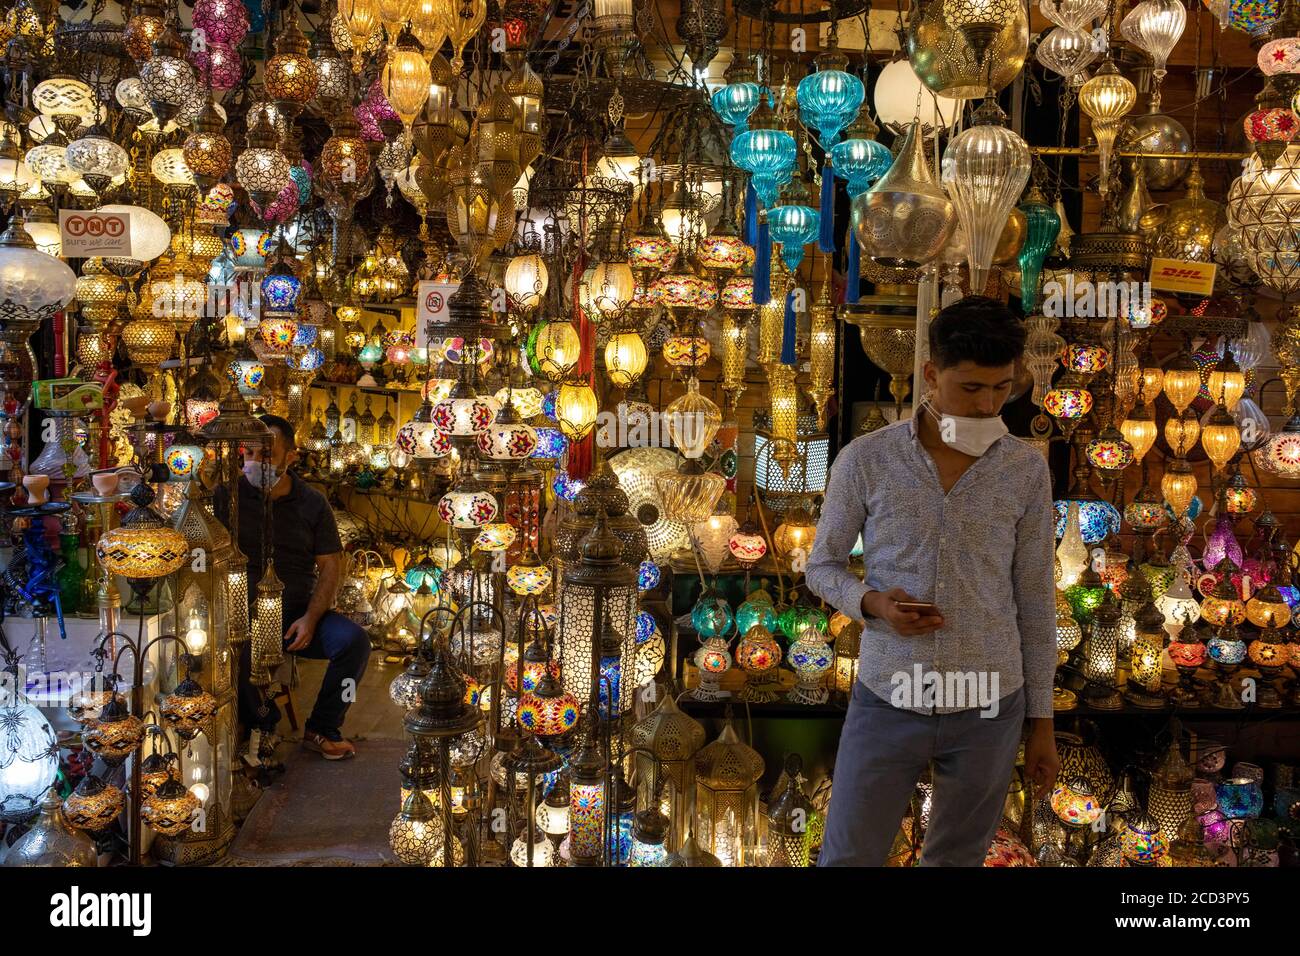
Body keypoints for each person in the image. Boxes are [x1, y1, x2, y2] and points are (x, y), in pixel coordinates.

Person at [805, 296, 1059, 866]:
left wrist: (1041, 723)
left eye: (1001, 389)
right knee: (848, 855)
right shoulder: (866, 460)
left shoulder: (1025, 470)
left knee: (956, 859)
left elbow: (1036, 601)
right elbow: (821, 567)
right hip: (889, 693)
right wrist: (870, 602)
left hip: (991, 704)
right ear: (930, 374)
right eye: (971, 388)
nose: (988, 404)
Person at [213, 414, 370, 761]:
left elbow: (331, 565)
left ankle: (324, 726)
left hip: (297, 616)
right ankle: (261, 726)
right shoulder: (228, 496)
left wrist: (311, 619)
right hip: (244, 617)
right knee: (235, 645)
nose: (254, 462)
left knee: (355, 643)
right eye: (249, 454)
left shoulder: (312, 503)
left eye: (265, 455)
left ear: (291, 457)